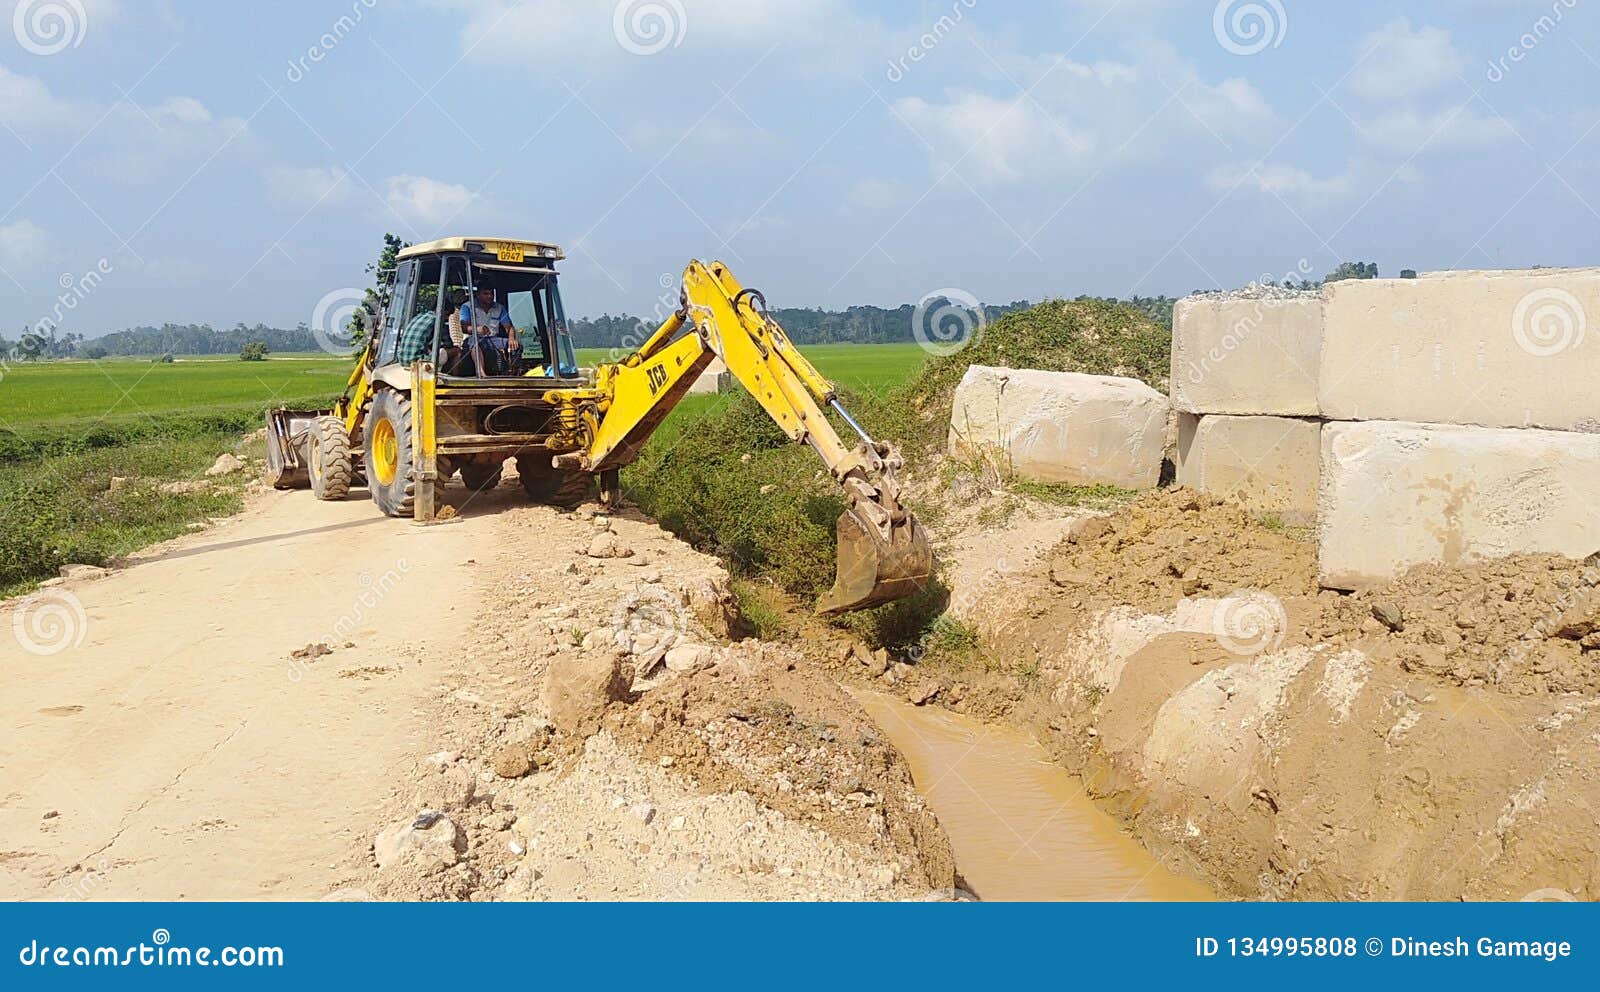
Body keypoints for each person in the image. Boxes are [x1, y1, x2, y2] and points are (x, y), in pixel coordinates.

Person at [459, 279, 520, 373]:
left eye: (492, 293)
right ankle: (481, 373)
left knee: (517, 345)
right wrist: (477, 329)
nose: (490, 296)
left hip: (493, 339)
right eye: (486, 294)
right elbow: (464, 328)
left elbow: (509, 327)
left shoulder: (499, 308)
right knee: (475, 343)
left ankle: (512, 371)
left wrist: (512, 338)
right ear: (478, 294)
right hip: (473, 338)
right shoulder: (467, 306)